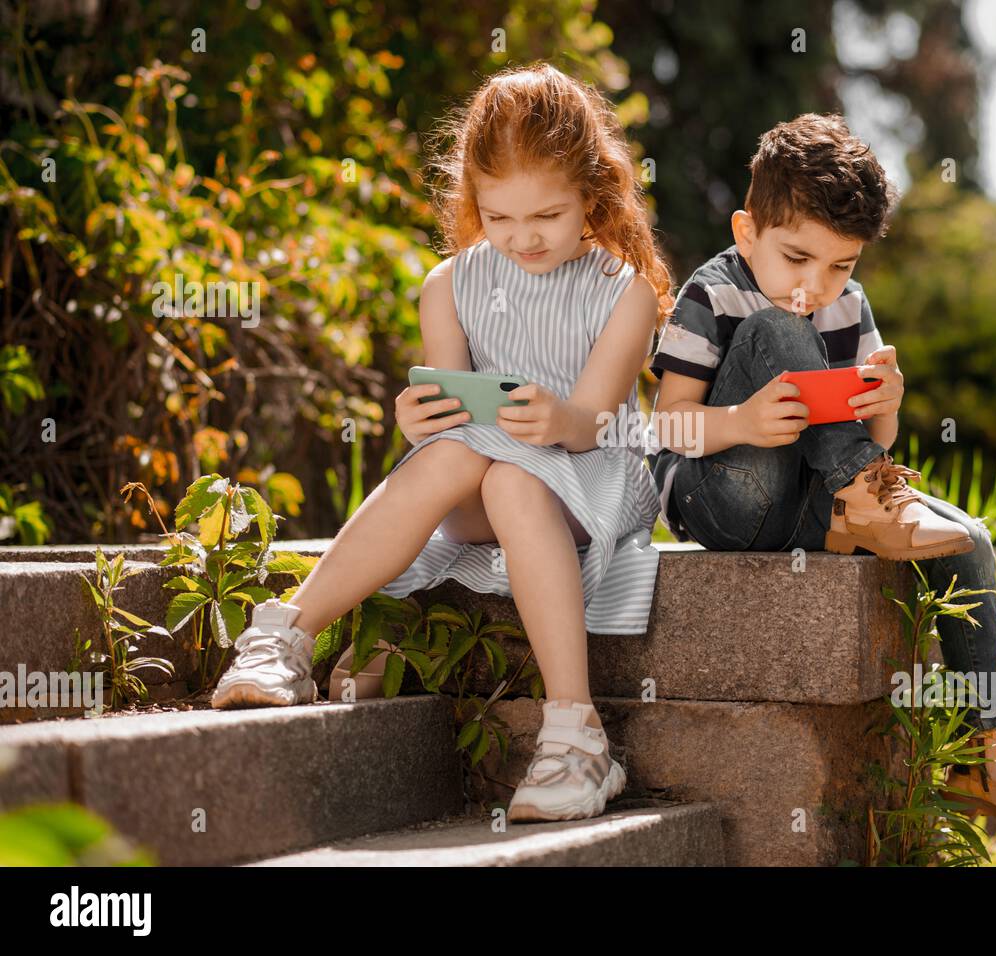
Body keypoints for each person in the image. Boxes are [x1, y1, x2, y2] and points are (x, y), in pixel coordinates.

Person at [212, 62, 673, 825]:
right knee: (464, 457)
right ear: (473, 203)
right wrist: (420, 418)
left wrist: (558, 421)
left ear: (593, 194)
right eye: (499, 218)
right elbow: (456, 411)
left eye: (548, 217)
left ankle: (575, 732)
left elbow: (597, 419)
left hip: (587, 480)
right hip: (477, 475)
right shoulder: (449, 285)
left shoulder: (621, 291)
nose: (523, 238)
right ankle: (286, 636)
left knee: (513, 481)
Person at [645, 113, 996, 833]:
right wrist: (742, 425)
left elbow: (870, 437)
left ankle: (986, 751)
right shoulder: (713, 292)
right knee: (776, 331)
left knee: (968, 537)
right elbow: (667, 423)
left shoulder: (848, 304)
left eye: (841, 266)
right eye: (796, 258)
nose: (816, 286)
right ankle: (870, 508)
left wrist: (888, 405)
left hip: (816, 500)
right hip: (721, 494)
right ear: (746, 232)